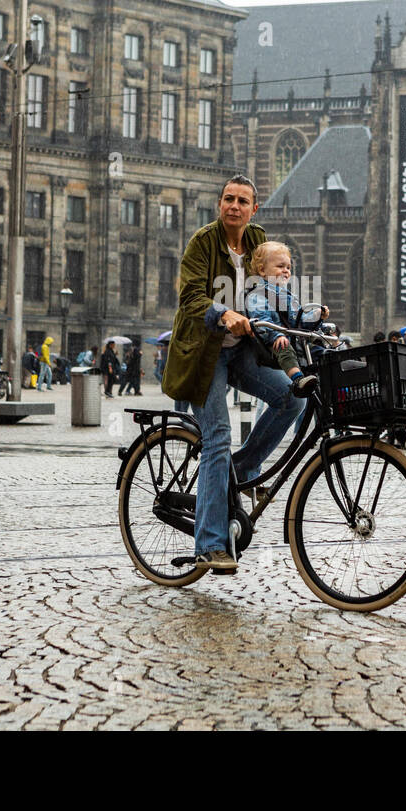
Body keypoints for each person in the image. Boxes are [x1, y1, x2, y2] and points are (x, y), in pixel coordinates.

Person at [160, 174, 303, 573]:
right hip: (203, 356)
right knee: (218, 436)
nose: (234, 206)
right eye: (228, 199)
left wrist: (303, 315)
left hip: (243, 350)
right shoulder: (202, 243)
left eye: (242, 201)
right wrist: (222, 313)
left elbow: (277, 283)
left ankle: (241, 468)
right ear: (219, 204)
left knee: (293, 396)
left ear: (254, 209)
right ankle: (209, 544)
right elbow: (189, 296)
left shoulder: (258, 239)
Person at [244, 241, 325, 393]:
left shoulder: (287, 295)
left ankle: (344, 367)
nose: (286, 271)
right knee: (284, 347)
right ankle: (298, 379)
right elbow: (262, 321)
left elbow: (298, 320)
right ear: (262, 270)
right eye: (280, 267)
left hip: (295, 341)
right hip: (275, 345)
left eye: (288, 267)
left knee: (320, 349)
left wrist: (316, 317)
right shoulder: (257, 295)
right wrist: (277, 336)